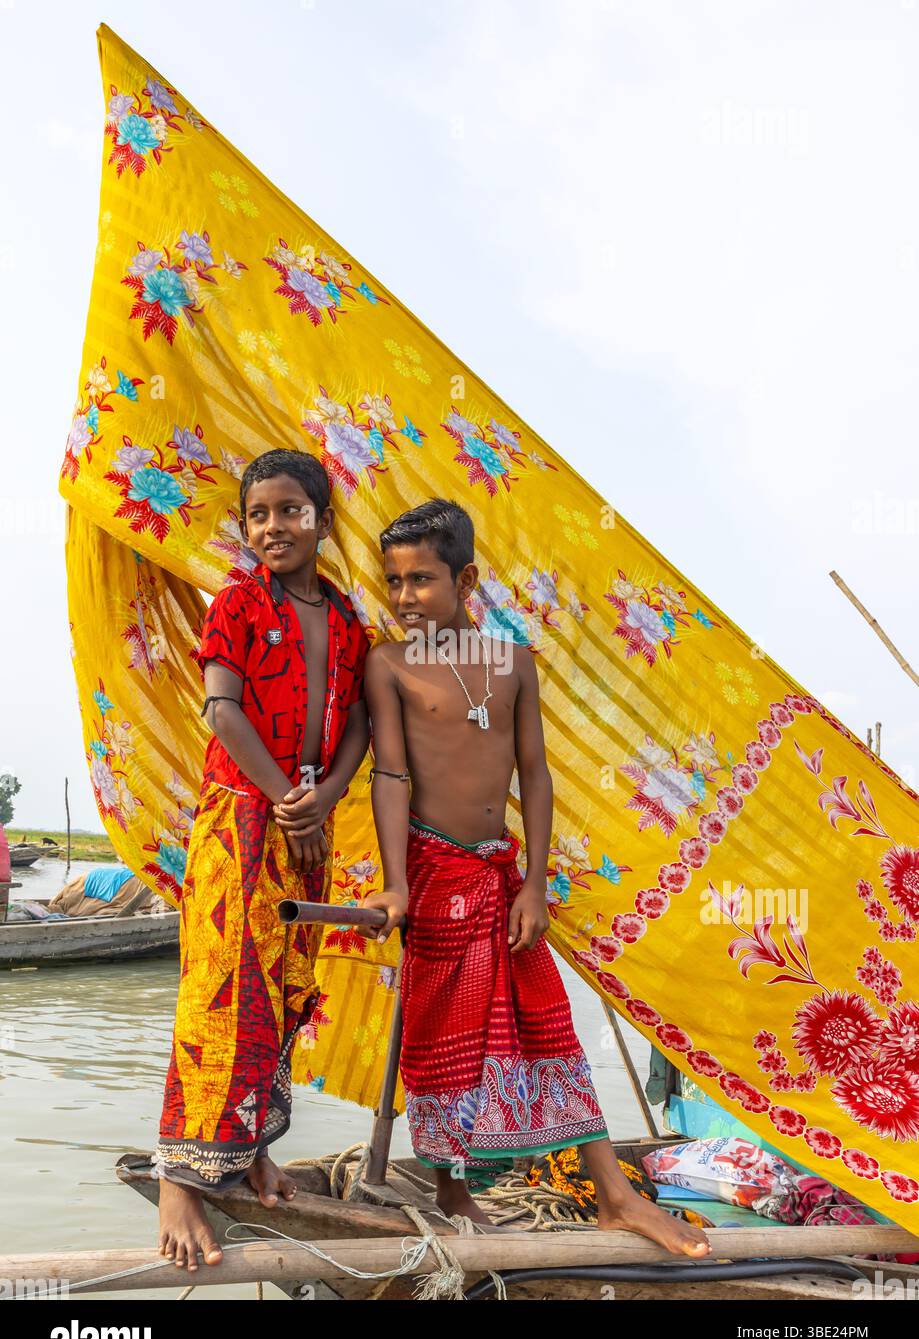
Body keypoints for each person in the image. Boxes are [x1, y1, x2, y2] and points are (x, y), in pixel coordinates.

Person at [360, 498, 710, 1257]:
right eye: (393, 581)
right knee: (438, 1032)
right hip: (432, 869)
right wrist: (395, 883)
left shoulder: (510, 663)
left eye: (421, 579)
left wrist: (534, 885)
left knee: (547, 1024)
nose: (404, 597)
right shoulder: (385, 663)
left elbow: (536, 774)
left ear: (467, 579)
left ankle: (615, 1196)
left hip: (499, 871)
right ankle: (450, 1185)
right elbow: (389, 775)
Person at [154, 448, 371, 1271]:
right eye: (259, 515)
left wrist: (327, 797)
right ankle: (181, 1175)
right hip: (243, 818)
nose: (273, 527)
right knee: (222, 990)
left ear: (321, 518)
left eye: (290, 510)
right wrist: (288, 800)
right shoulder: (238, 604)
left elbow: (356, 725)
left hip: (305, 825)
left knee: (281, 993)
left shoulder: (349, 619)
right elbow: (222, 712)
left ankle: (245, 1151)